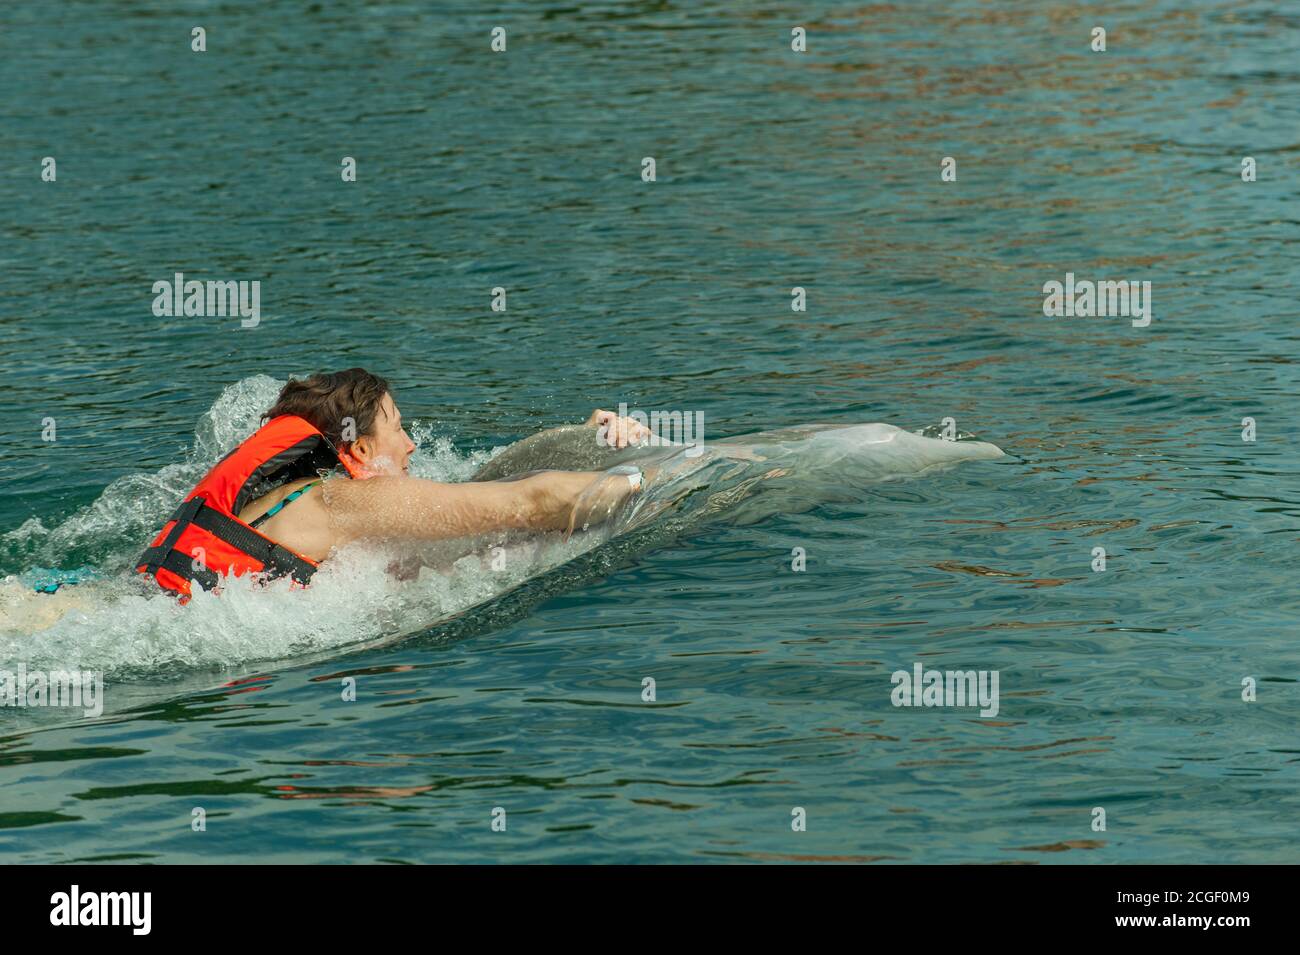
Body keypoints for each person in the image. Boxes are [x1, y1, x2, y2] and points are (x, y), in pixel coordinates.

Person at [135, 369, 653, 600]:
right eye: (400, 427)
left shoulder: (275, 499)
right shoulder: (344, 502)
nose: (412, 445)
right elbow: (536, 502)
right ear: (358, 450)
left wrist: (580, 443)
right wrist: (647, 476)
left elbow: (475, 495)